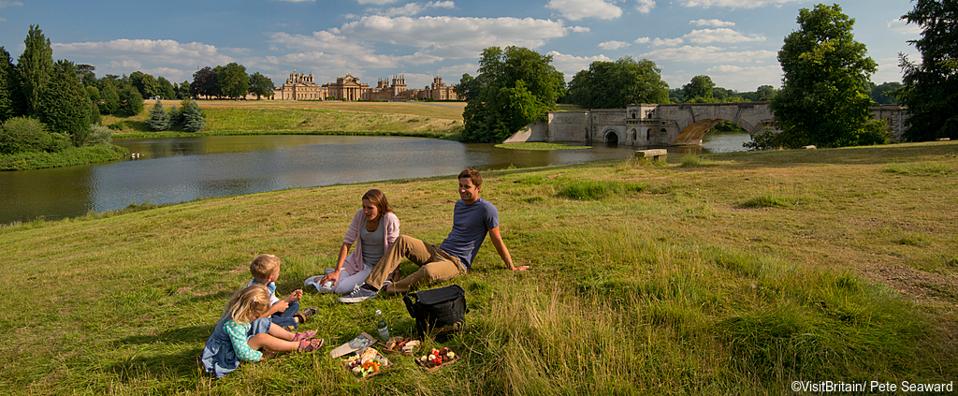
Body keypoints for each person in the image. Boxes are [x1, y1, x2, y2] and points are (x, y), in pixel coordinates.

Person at [339, 168, 528, 303]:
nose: (462, 190)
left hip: (457, 263)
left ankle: (391, 288)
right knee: (403, 239)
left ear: (478, 188)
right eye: (460, 186)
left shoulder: (488, 210)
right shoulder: (459, 205)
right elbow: (457, 233)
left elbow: (497, 240)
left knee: (429, 272)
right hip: (439, 251)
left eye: (467, 187)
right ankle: (371, 286)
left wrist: (511, 266)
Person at [200, 284, 323, 378]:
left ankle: (293, 337)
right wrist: (261, 357)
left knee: (262, 321)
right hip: (226, 354)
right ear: (249, 310)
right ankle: (298, 346)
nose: (258, 316)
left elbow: (258, 320)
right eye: (257, 314)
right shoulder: (234, 325)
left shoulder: (241, 313)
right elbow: (242, 353)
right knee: (261, 338)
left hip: (235, 344)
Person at [304, 189, 400, 294]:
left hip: (375, 268)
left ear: (380, 208)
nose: (366, 211)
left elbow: (394, 250)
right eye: (364, 207)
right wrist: (336, 272)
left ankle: (326, 278)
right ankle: (321, 278)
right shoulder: (360, 216)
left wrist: (391, 274)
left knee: (341, 289)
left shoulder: (390, 219)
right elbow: (347, 243)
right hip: (357, 262)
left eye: (370, 208)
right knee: (326, 287)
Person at [248, 254, 314, 329]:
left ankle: (284, 323)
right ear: (271, 276)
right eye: (278, 272)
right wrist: (275, 309)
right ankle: (295, 320)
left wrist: (289, 299)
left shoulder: (269, 284)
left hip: (270, 312)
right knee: (267, 323)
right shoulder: (255, 293)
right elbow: (256, 319)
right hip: (261, 319)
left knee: (294, 304)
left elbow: (272, 300)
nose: (279, 274)